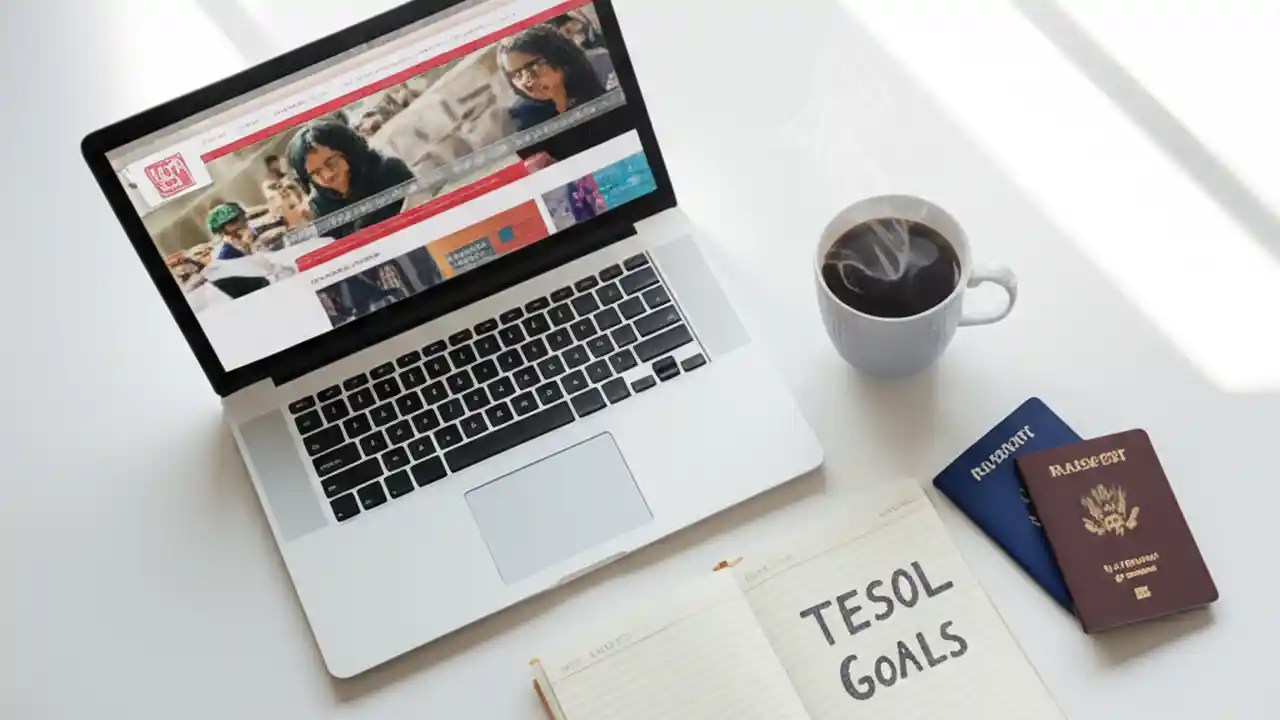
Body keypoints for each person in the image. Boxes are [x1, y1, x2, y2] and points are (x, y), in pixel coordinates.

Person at [286, 121, 416, 240]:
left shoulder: (388, 171)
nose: (327, 175)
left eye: (331, 163)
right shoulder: (320, 206)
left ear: (348, 151)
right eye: (316, 173)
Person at [498, 26, 606, 132]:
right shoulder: (523, 119)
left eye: (533, 66)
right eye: (517, 74)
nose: (526, 81)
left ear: (558, 57)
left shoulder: (602, 69)